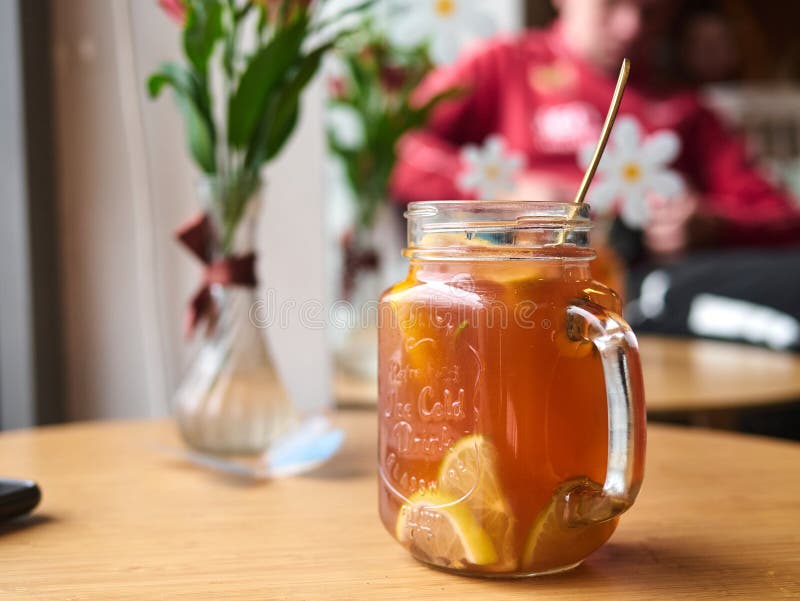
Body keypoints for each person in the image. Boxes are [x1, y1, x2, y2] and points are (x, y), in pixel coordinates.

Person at [390, 0, 800, 351]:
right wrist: (505, 192)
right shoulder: (503, 65)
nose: (631, 25)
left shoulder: (682, 108)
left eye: (650, 12)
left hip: (643, 289)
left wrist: (710, 224)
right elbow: (399, 150)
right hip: (514, 295)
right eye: (611, 4)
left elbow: (781, 214)